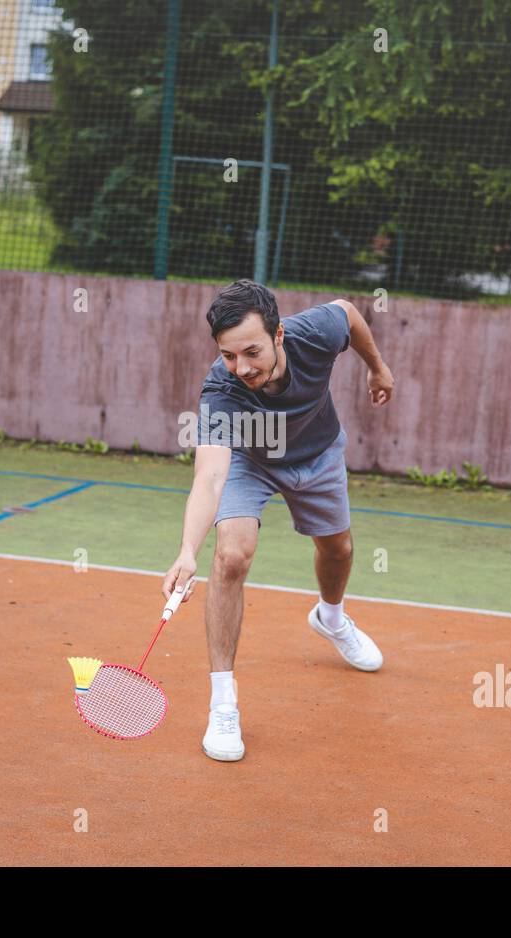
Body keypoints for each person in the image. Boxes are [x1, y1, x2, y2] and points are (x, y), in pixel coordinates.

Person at [162, 279, 395, 761]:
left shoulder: (314, 332)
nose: (241, 367)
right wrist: (187, 550)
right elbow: (209, 476)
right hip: (252, 460)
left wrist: (377, 368)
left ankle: (330, 618)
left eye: (251, 351)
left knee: (339, 550)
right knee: (231, 556)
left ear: (279, 335)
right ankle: (223, 705)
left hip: (318, 451)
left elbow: (350, 312)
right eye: (229, 355)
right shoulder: (223, 390)